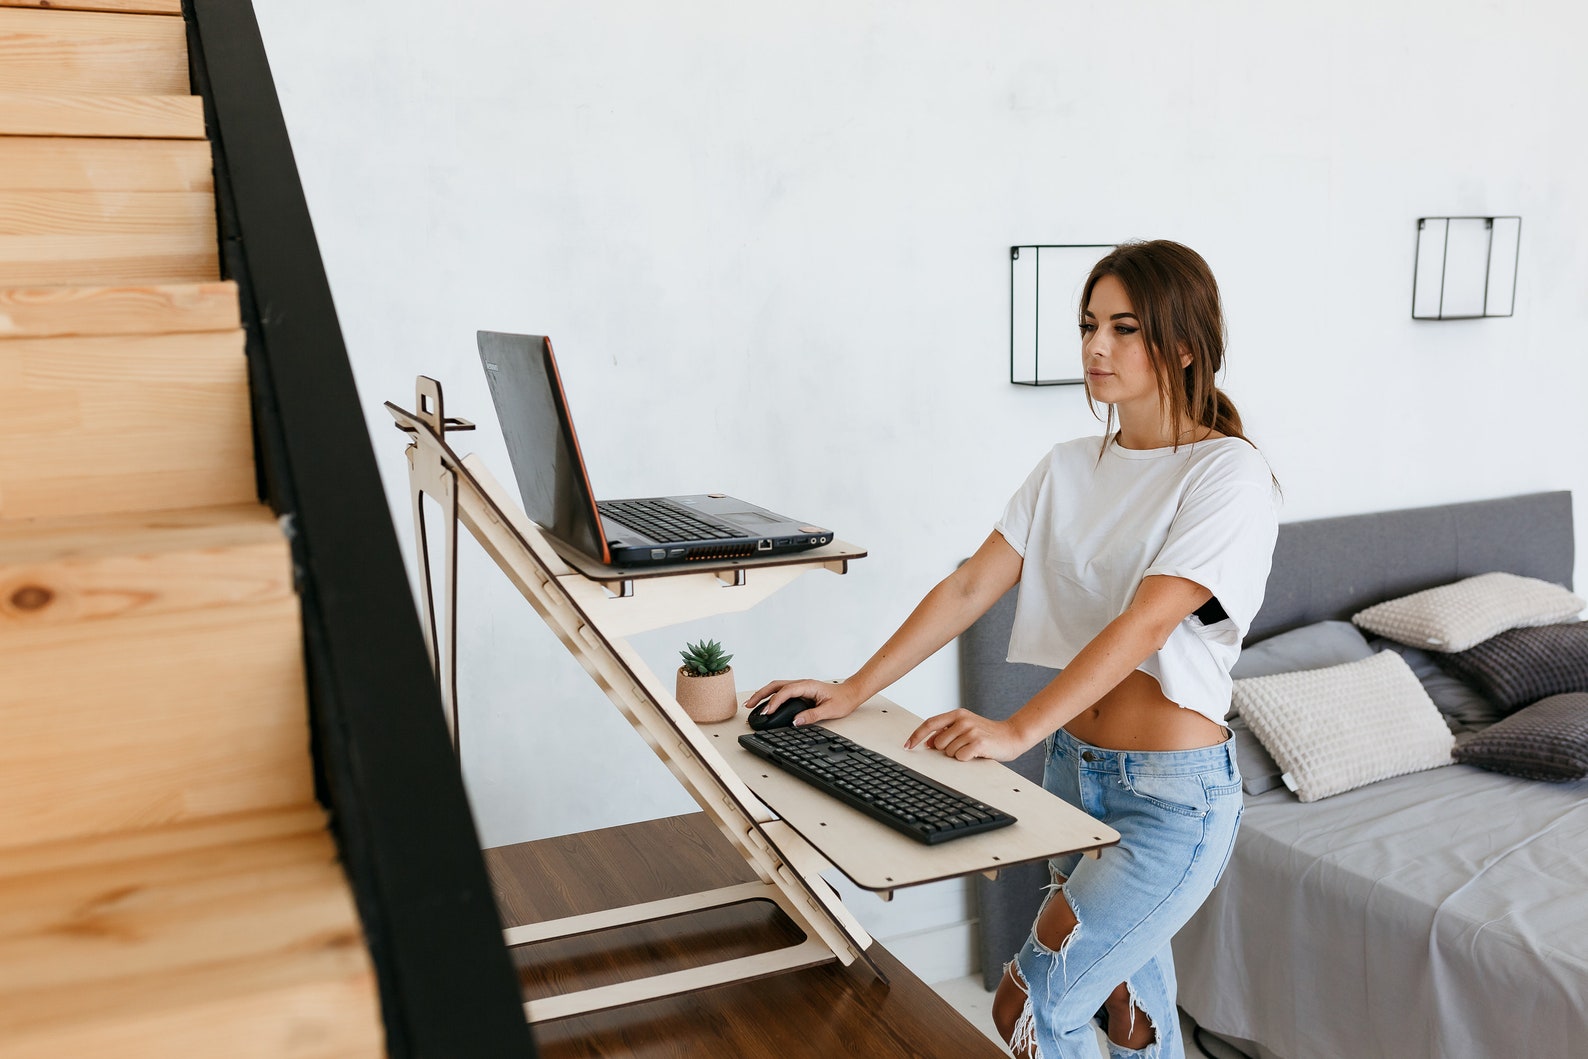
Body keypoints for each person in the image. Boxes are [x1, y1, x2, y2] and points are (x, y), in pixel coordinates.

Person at [745, 240, 1279, 1059]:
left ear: (1181, 345)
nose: (1096, 347)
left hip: (1173, 802)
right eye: (1088, 325)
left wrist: (1013, 730)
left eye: (1124, 328)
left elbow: (1144, 623)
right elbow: (967, 589)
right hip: (1075, 777)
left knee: (1030, 1003)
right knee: (1128, 1017)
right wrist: (852, 688)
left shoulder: (1227, 475)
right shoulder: (1066, 468)